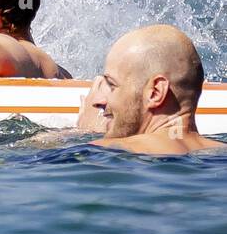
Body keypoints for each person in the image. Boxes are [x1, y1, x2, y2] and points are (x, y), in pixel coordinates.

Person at [76, 25, 224, 154]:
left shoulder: (106, 150)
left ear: (155, 93)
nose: (97, 101)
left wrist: (86, 134)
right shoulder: (219, 152)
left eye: (112, 85)